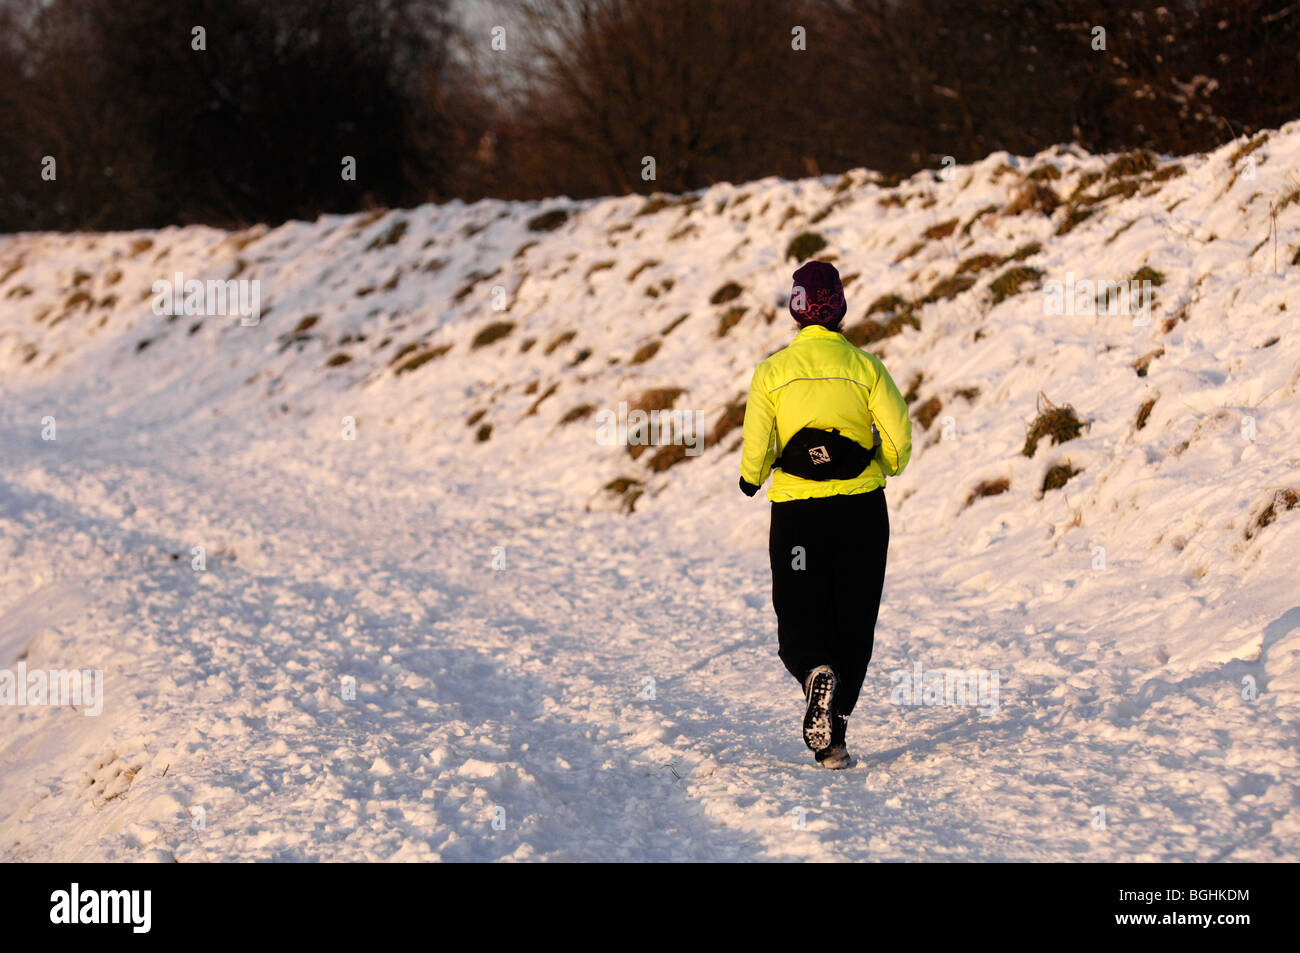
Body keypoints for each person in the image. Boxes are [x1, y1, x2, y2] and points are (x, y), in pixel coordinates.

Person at [737, 260, 912, 769]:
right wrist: (882, 464)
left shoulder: (771, 372)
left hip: (798, 516)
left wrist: (753, 477)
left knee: (799, 610)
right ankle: (833, 738)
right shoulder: (867, 367)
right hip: (861, 511)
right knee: (853, 618)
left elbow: (758, 444)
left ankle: (813, 671)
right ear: (840, 308)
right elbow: (899, 442)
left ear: (795, 310)